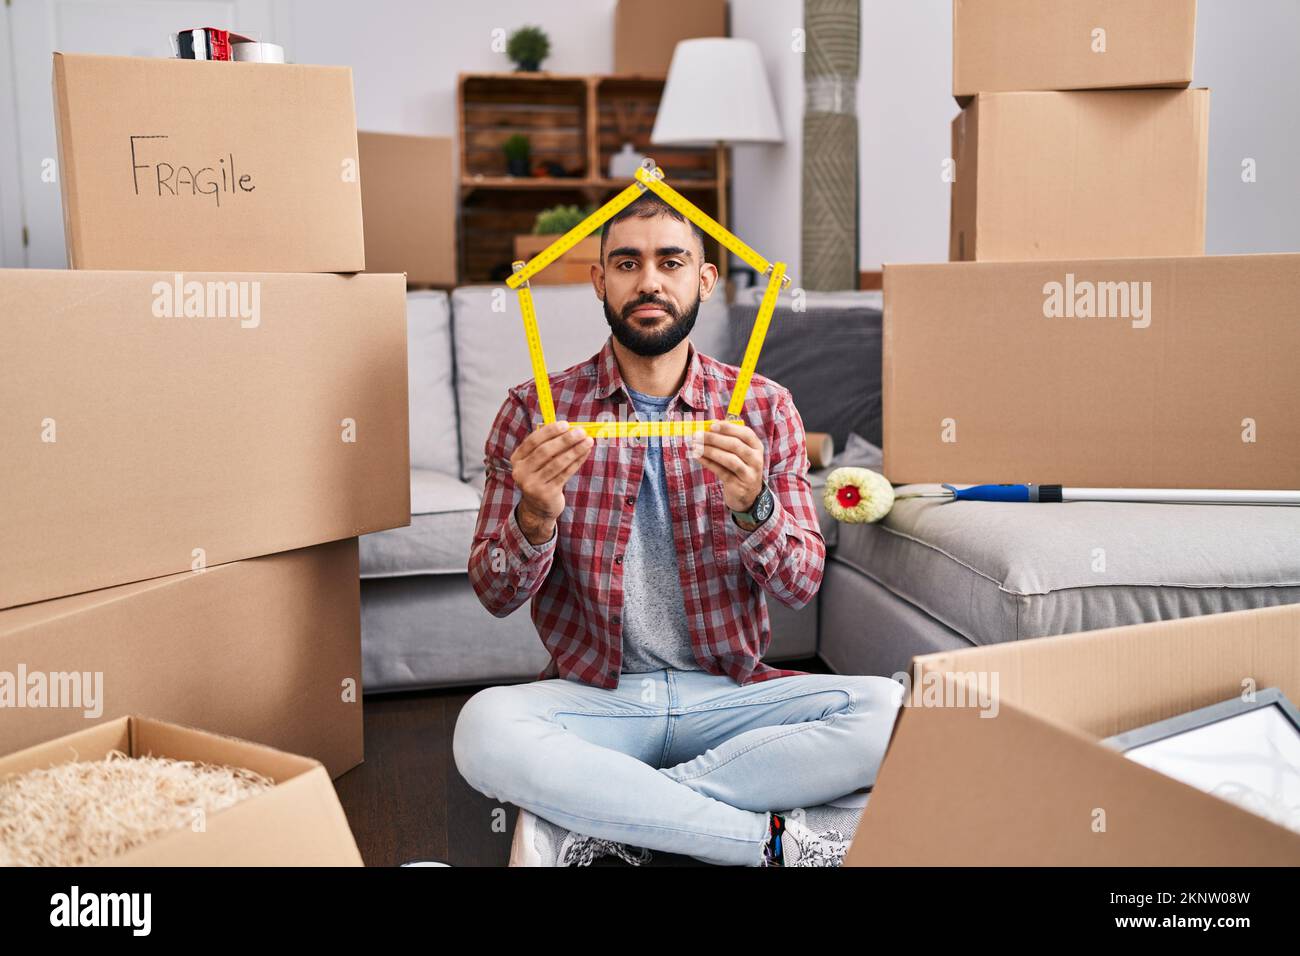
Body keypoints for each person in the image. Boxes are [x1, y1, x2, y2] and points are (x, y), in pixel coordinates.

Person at [453, 190, 903, 866]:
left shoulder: (764, 407)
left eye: (672, 261)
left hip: (728, 697)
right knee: (483, 728)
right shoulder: (533, 410)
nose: (651, 281)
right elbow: (493, 591)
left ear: (705, 279)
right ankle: (766, 843)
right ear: (600, 280)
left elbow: (802, 584)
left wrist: (754, 504)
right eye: (628, 264)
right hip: (596, 701)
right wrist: (535, 515)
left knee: (893, 714)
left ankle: (611, 816)